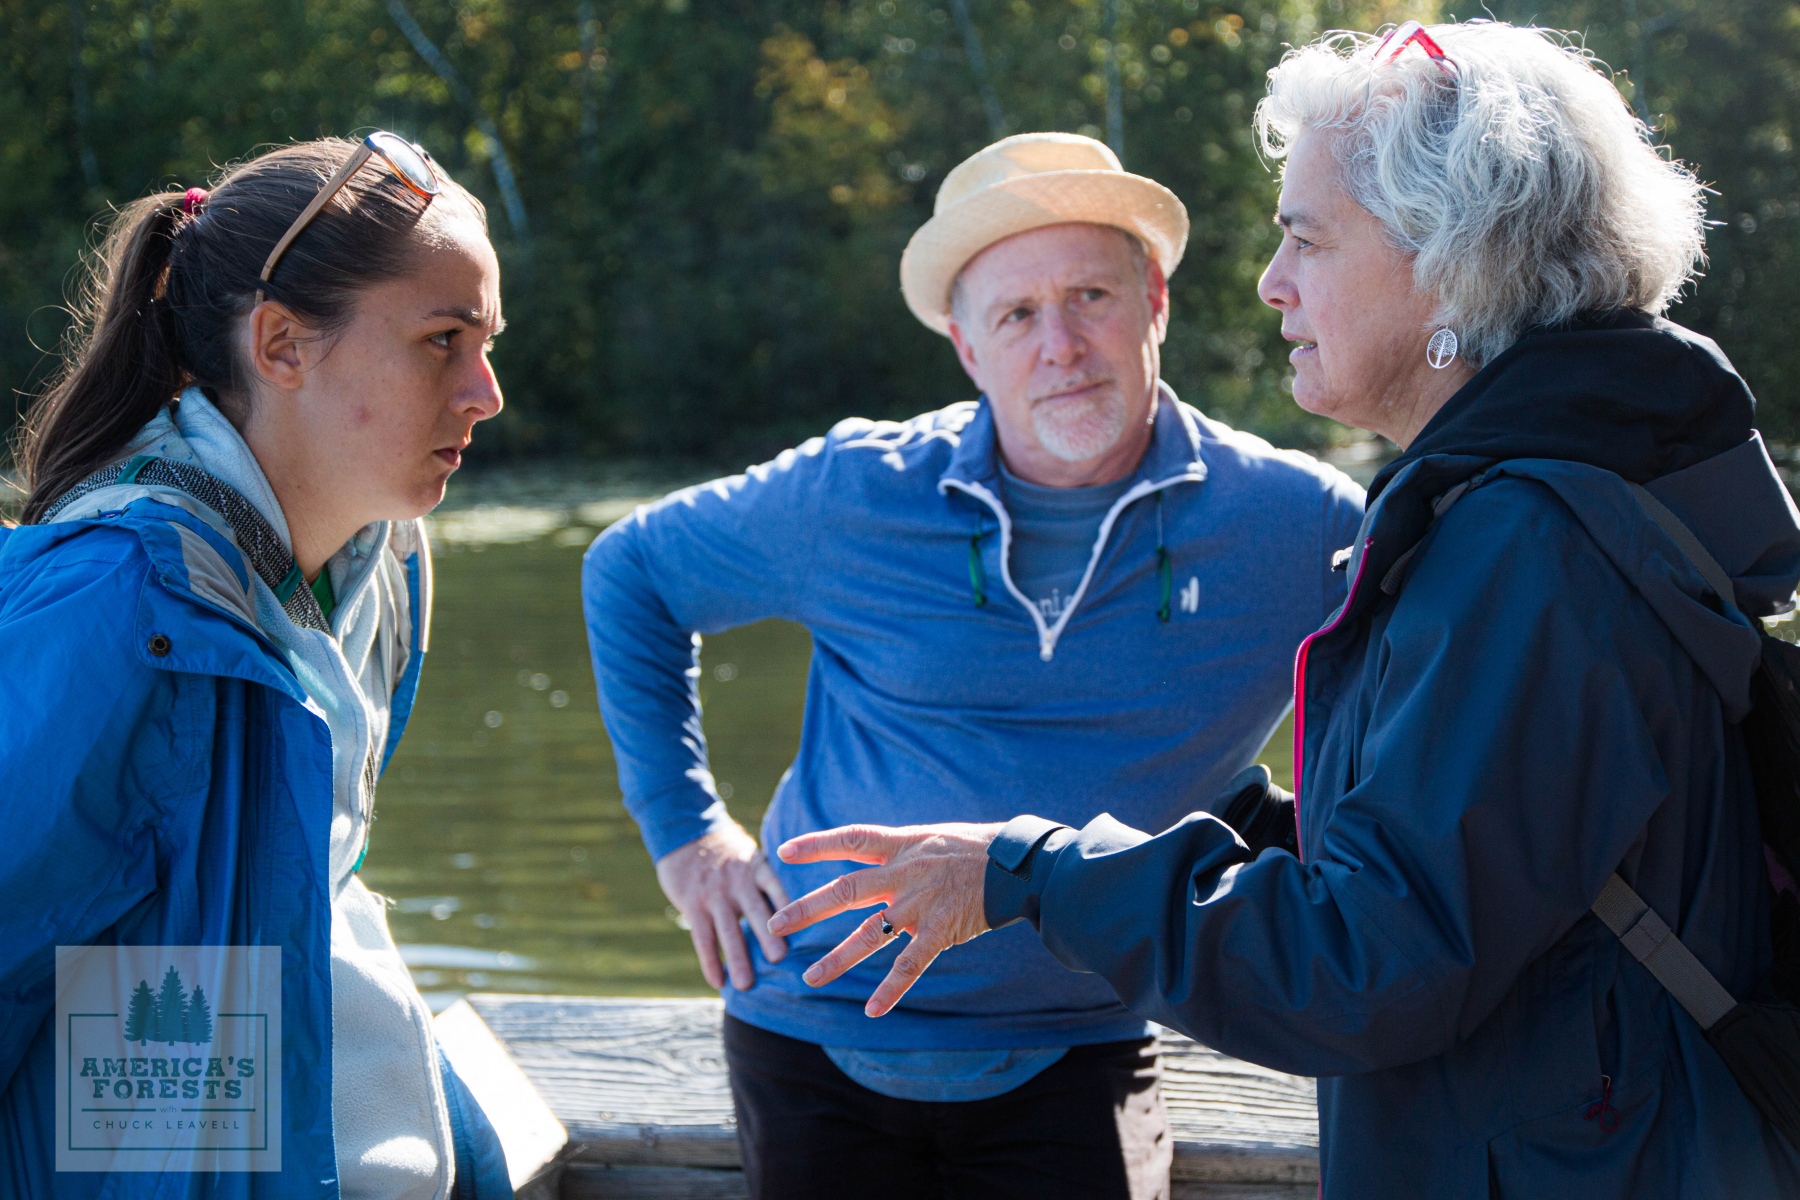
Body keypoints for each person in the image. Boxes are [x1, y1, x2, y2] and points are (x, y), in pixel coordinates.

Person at [768, 21, 1800, 1198]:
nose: (1271, 283)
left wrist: (1032, 873)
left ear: (1450, 261)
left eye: (1306, 238)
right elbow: (1484, 869)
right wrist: (1238, 817)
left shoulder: (1531, 550)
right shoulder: (1537, 507)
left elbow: (1372, 964)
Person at [581, 132, 1364, 1198]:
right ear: (968, 348)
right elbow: (631, 573)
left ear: (1156, 304)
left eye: (1091, 295)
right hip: (812, 1030)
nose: (1063, 345)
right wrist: (686, 838)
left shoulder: (1298, 528)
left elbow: (1411, 743)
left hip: (1085, 1033)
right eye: (1017, 314)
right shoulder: (854, 493)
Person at [0, 136, 512, 1198]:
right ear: (280, 343)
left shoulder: (382, 566)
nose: (486, 390)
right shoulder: (116, 599)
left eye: (489, 342)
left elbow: (310, 891)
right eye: (443, 340)